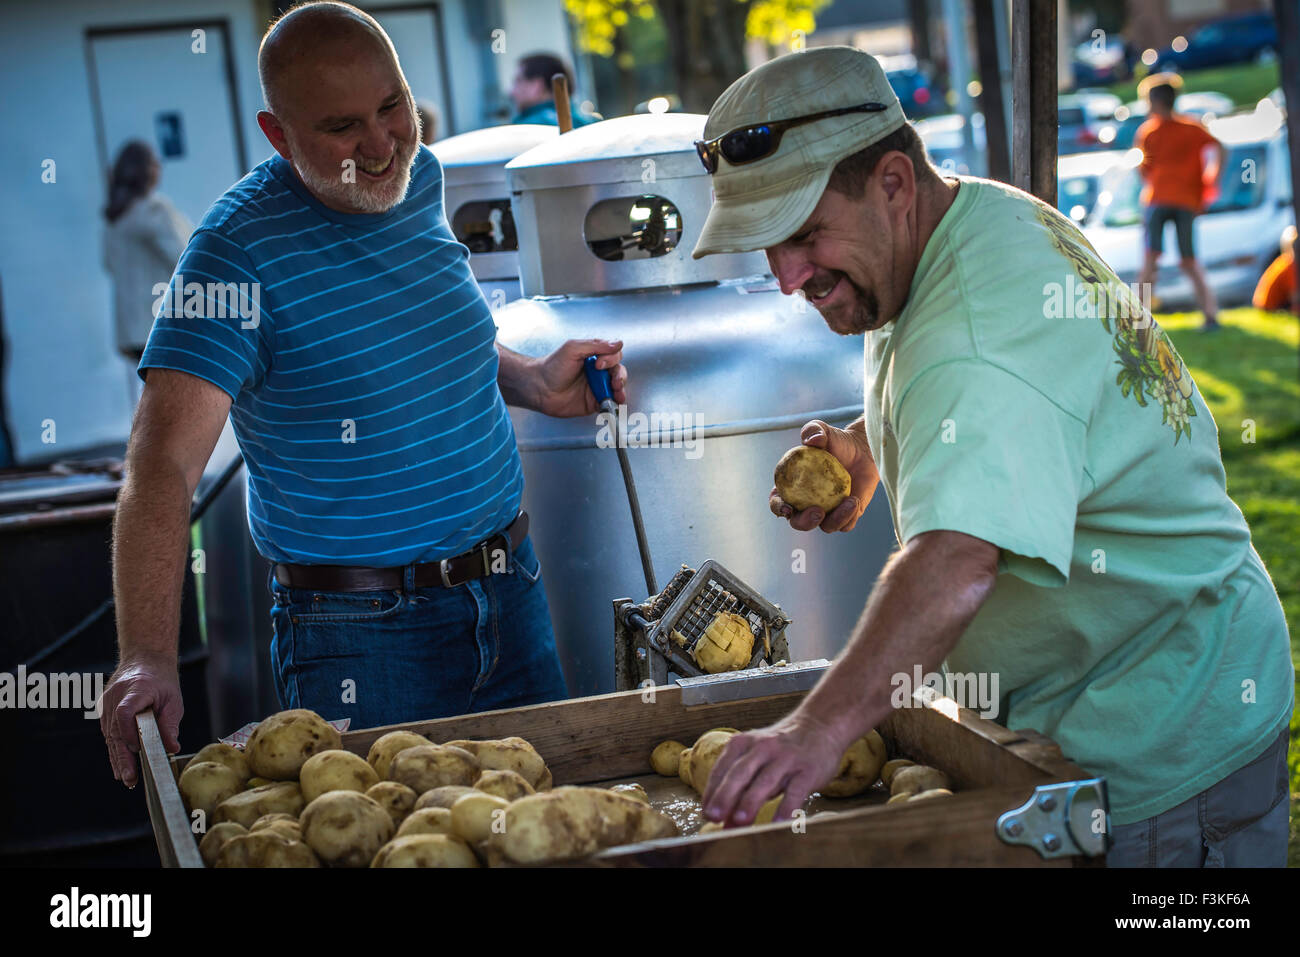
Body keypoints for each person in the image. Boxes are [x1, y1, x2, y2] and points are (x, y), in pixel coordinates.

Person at [690, 47, 1292, 867]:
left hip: (1168, 749)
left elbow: (956, 562)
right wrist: (874, 447)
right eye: (766, 245)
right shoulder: (956, 226)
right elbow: (1030, 405)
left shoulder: (975, 331)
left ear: (893, 182)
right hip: (1115, 707)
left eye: (803, 233)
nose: (788, 275)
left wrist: (814, 730)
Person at [99, 1, 628, 788]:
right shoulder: (229, 258)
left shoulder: (420, 178)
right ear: (279, 136)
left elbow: (428, 332)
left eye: (393, 107)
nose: (381, 147)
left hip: (510, 593)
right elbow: (161, 468)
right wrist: (146, 655)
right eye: (344, 128)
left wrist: (530, 381)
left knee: (546, 834)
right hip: (364, 640)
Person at [1133, 73, 1226, 330]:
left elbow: (1143, 170)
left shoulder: (1150, 131)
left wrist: (1210, 178)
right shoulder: (1190, 128)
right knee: (1188, 260)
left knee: (1151, 259)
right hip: (1183, 201)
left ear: (1155, 102)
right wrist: (1211, 179)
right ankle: (1210, 315)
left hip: (1159, 201)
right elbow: (1219, 148)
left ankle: (1138, 320)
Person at [101, 140, 193, 367]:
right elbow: (189, 258)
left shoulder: (114, 217)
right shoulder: (153, 210)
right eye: (154, 163)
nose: (159, 169)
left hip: (132, 333)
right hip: (162, 327)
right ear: (145, 171)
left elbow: (108, 264)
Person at [509, 52, 597, 127]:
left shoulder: (527, 128)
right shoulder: (590, 123)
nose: (512, 93)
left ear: (536, 86)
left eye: (518, 81)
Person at [1252, 225, 1298, 313]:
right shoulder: (1291, 265)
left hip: (1263, 304)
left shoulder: (1284, 260)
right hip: (1269, 307)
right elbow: (1295, 296)